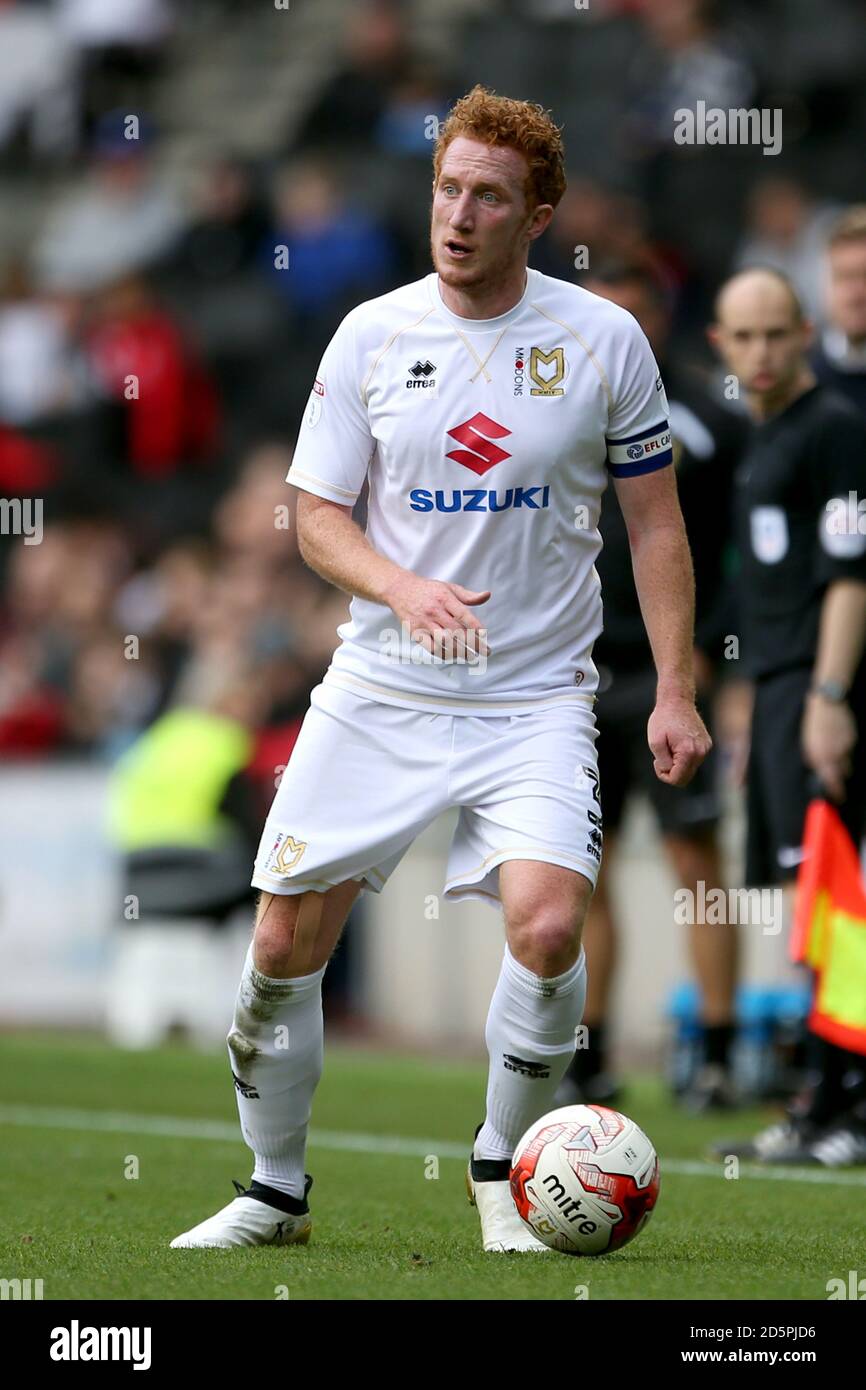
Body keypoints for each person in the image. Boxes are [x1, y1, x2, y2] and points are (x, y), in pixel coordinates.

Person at [170, 85, 711, 1252]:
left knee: (549, 925)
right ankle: (273, 1192)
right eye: (447, 189)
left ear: (539, 213)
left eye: (489, 198)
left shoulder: (601, 339)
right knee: (278, 947)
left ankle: (501, 1172)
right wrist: (399, 586)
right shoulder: (371, 332)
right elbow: (313, 517)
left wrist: (674, 684)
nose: (458, 215)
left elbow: (656, 527)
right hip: (380, 686)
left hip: (535, 697)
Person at [555, 261, 744, 1112]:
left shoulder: (706, 423)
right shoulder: (548, 411)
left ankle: (715, 1050)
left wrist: (712, 658)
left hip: (671, 674)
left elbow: (742, 546)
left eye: (630, 315)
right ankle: (587, 1057)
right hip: (574, 675)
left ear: (658, 322)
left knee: (693, 859)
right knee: (575, 872)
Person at [708, 267, 866, 1165]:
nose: (762, 352)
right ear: (721, 346)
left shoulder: (837, 432)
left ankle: (847, 1107)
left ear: (804, 332)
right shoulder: (760, 440)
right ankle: (819, 1102)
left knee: (838, 902)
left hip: (820, 689)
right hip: (775, 693)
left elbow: (851, 574)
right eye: (745, 337)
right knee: (809, 907)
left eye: (777, 333)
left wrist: (830, 699)